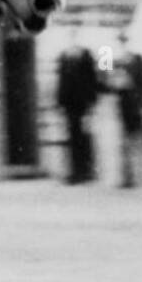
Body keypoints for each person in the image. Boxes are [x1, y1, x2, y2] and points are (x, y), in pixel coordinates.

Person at [107, 30, 142, 187]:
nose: (122, 44)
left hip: (138, 106)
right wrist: (115, 83)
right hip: (124, 107)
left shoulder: (138, 60)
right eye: (120, 42)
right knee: (125, 142)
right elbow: (107, 82)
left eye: (124, 41)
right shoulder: (115, 62)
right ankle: (128, 177)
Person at [55, 28, 101, 184]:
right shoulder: (64, 56)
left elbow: (93, 79)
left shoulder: (85, 55)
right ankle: (76, 172)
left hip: (83, 104)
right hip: (70, 105)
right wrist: (60, 102)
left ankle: (85, 171)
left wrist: (92, 102)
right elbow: (61, 81)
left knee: (83, 138)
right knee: (73, 138)